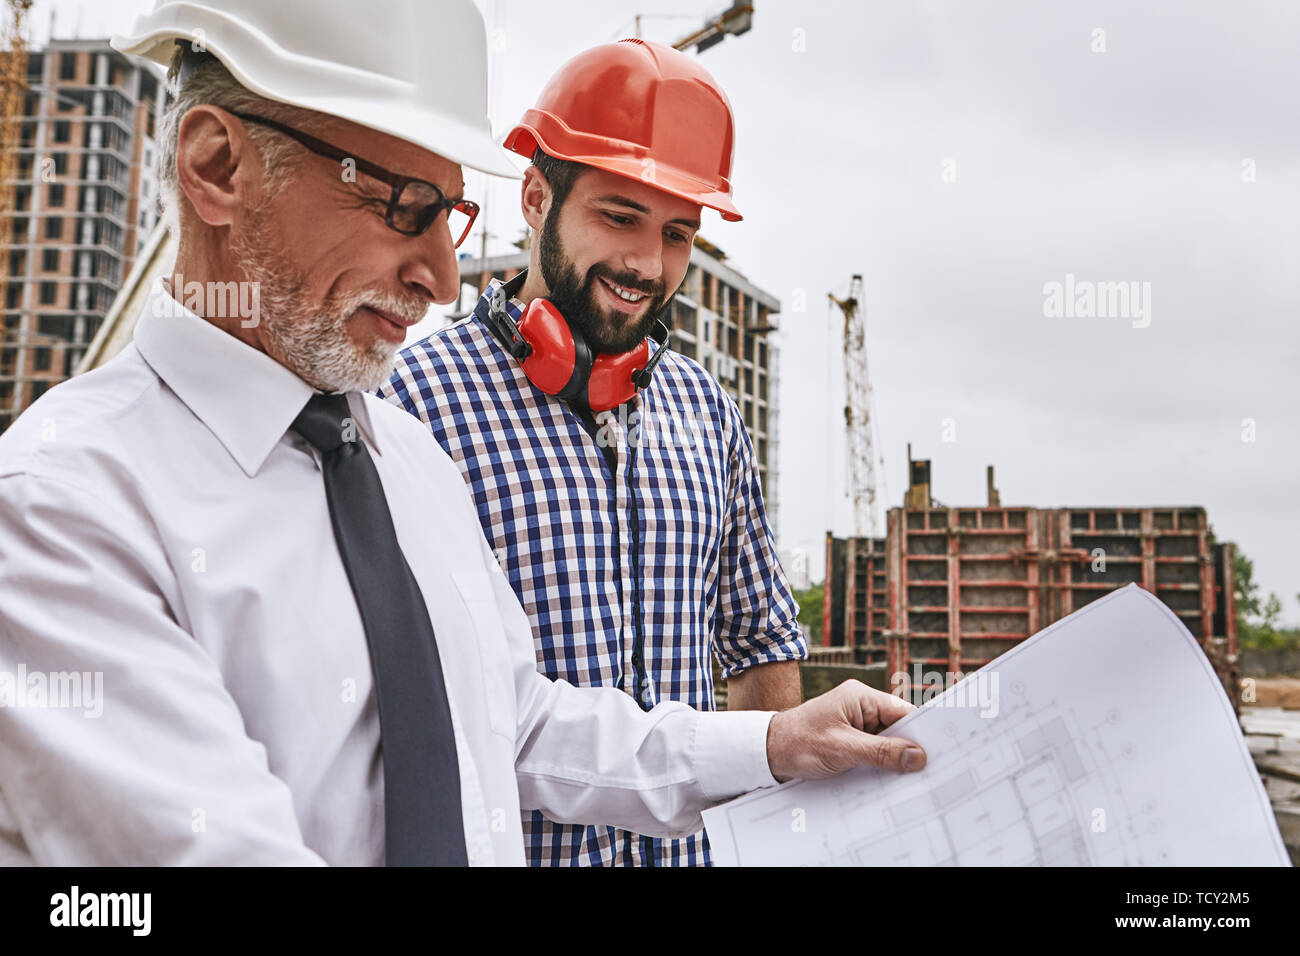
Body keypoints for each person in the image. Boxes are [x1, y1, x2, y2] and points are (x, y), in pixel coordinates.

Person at [0, 0, 926, 867]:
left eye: (450, 215)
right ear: (216, 167)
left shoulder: (402, 462)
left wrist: (771, 744)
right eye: (404, 206)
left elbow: (515, 723)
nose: (444, 280)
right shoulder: (60, 514)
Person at [379, 40, 804, 866]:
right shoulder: (408, 401)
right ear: (536, 197)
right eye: (619, 217)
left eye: (678, 233)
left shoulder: (707, 412)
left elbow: (761, 642)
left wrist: (771, 837)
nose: (648, 265)